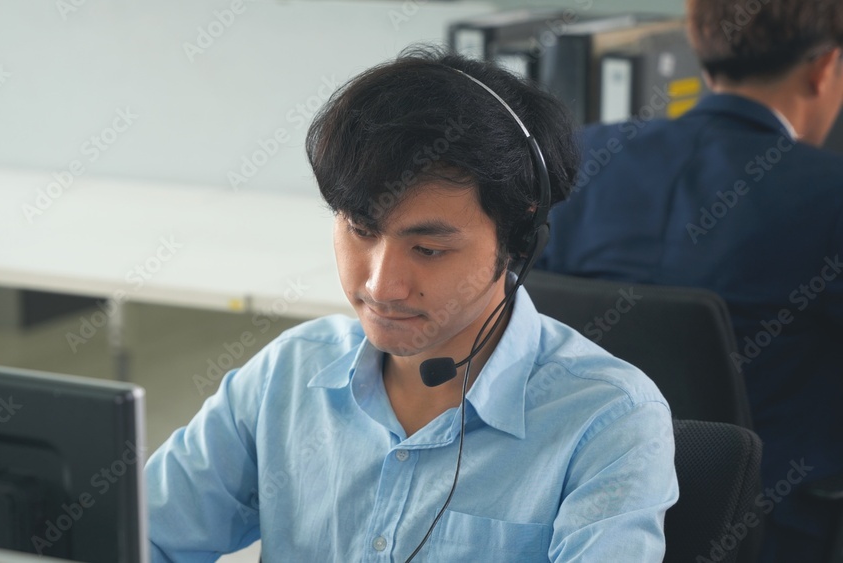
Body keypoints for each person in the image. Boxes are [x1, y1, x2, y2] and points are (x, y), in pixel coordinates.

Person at [145, 46, 678, 562]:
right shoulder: (288, 374)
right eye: (359, 229)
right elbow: (138, 537)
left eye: (428, 249)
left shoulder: (607, 421)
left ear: (517, 240)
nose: (381, 286)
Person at [536, 0, 843, 559]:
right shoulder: (829, 192)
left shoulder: (579, 158)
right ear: (824, 69)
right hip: (782, 526)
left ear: (702, 55)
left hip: (591, 512)